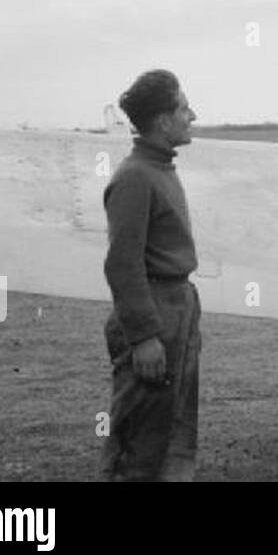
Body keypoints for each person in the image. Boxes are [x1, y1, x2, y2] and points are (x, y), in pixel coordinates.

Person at [101, 69, 201, 481]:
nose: (192, 115)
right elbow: (122, 264)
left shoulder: (158, 168)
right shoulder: (135, 178)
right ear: (162, 121)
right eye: (183, 108)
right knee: (140, 441)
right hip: (156, 313)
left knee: (176, 429)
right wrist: (143, 337)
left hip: (178, 306)